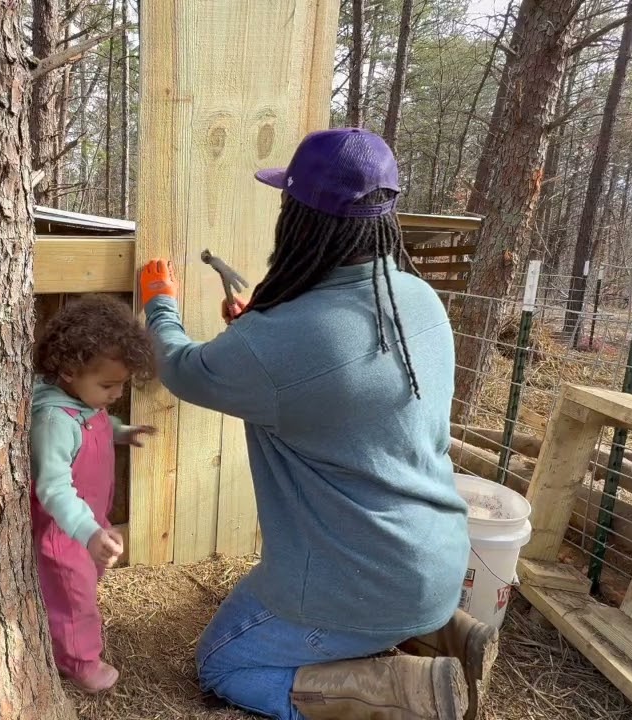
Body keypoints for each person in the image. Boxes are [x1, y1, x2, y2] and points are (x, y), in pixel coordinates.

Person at [137, 127, 497, 720]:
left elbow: (180, 369)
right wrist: (260, 336)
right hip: (438, 560)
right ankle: (444, 633)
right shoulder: (417, 299)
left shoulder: (279, 339)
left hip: (358, 583)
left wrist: (160, 304)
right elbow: (329, 377)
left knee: (225, 664)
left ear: (298, 218)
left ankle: (399, 693)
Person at [30, 295, 156, 693]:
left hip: (88, 522)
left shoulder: (84, 403)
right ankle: (79, 662)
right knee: (74, 598)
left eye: (121, 384)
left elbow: (97, 420)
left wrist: (120, 432)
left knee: (82, 585)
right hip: (64, 532)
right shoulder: (53, 420)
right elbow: (52, 486)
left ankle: (64, 639)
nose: (116, 393)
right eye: (108, 385)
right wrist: (86, 533)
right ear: (68, 370)